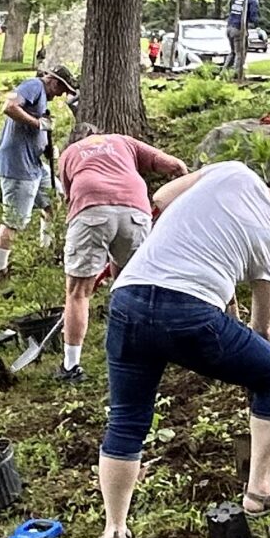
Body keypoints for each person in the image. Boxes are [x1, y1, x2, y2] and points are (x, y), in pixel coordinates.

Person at [94, 159, 270, 538]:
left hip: (130, 299)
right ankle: (262, 489)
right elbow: (265, 330)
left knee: (126, 419)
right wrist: (256, 375)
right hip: (188, 314)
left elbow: (161, 197)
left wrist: (219, 283)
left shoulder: (234, 172)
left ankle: (114, 532)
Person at [55, 124, 187, 382]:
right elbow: (171, 164)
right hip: (135, 209)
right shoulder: (122, 141)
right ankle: (144, 351)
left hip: (90, 208)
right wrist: (182, 182)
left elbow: (69, 196)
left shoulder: (69, 153)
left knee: (78, 292)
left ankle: (71, 367)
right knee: (135, 285)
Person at [0, 63, 72, 284]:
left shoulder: (43, 98)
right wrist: (38, 124)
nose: (62, 95)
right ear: (54, 82)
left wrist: (45, 145)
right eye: (62, 89)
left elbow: (38, 129)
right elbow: (9, 107)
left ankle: (46, 249)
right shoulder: (33, 86)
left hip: (35, 164)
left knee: (54, 199)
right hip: (18, 166)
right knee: (14, 220)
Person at [224, 0, 261, 79]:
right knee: (240, 53)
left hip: (230, 26)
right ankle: (236, 76)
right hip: (239, 28)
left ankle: (224, 73)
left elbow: (230, 8)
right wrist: (257, 26)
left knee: (233, 52)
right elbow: (254, 16)